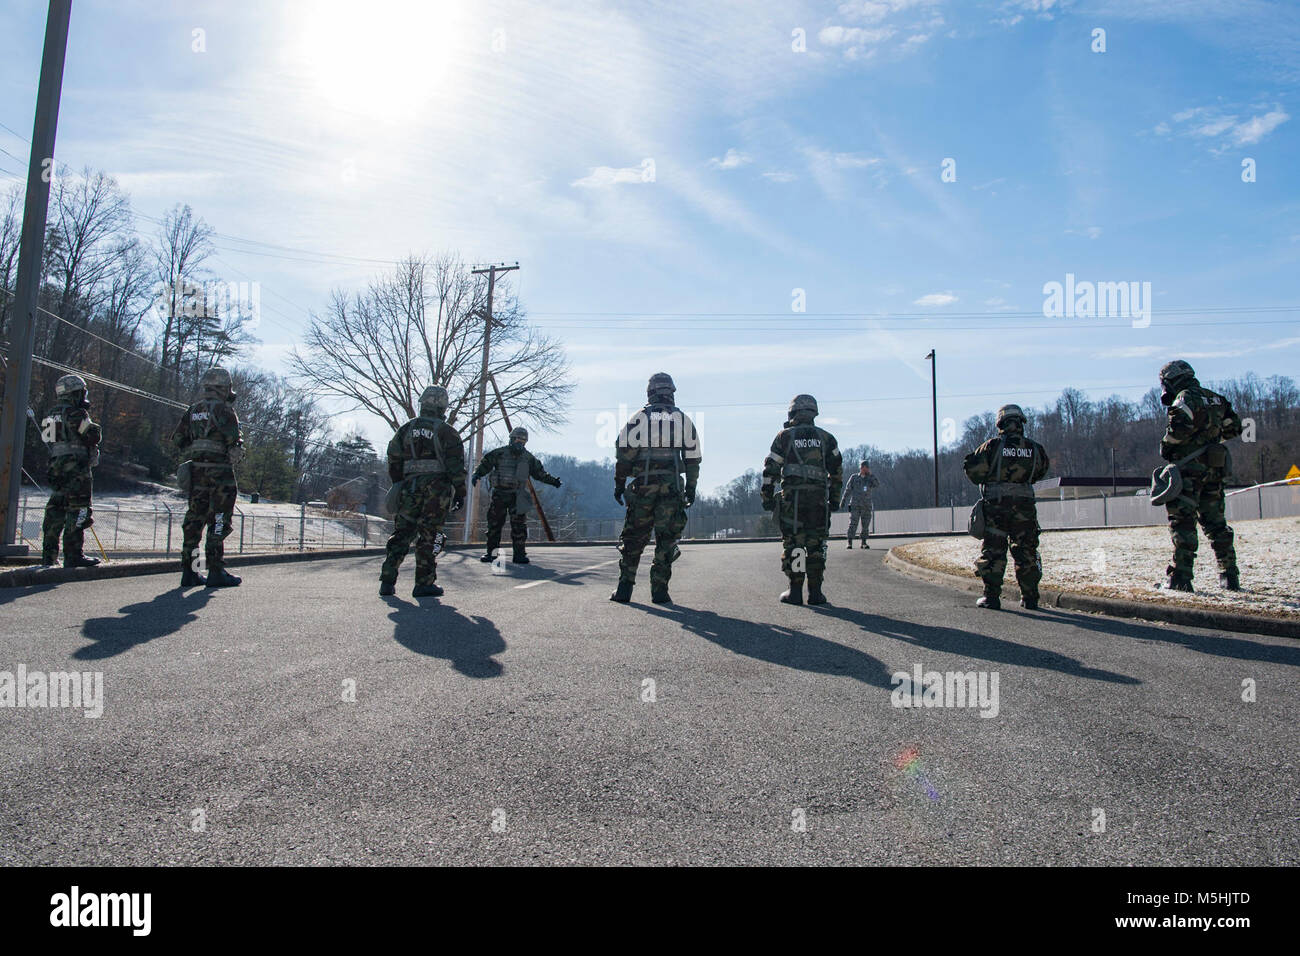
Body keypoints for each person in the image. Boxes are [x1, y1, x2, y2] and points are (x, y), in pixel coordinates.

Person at [609, 372, 701, 605]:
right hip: (671, 489)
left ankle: (624, 589)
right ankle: (659, 591)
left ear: (650, 391)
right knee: (666, 539)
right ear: (671, 392)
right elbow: (693, 459)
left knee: (633, 538)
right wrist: (691, 488)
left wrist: (620, 485)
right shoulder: (682, 420)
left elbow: (624, 457)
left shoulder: (638, 418)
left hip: (643, 488)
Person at [1156, 359, 1243, 592]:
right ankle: (1229, 575)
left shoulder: (1184, 398)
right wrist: (1209, 438)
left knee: (1183, 523)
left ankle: (1181, 578)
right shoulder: (1216, 398)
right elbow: (1234, 428)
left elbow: (1178, 430)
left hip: (1187, 473)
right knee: (1216, 524)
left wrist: (1166, 446)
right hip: (1213, 471)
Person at [380, 385, 467, 598]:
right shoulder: (447, 431)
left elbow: (393, 457)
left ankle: (387, 580)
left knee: (402, 533)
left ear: (423, 403)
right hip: (436, 491)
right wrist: (460, 491)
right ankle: (423, 583)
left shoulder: (406, 429)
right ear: (443, 405)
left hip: (409, 487)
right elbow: (455, 465)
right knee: (429, 534)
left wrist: (399, 482)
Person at [961, 404, 1050, 609]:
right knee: (1026, 550)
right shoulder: (1035, 449)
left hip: (997, 506)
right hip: (1025, 506)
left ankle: (991, 597)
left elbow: (973, 471)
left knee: (994, 550)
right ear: (1021, 422)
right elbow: (1040, 471)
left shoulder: (992, 446)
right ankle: (1030, 597)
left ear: (1000, 423)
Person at [761, 394, 843, 605]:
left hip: (793, 503)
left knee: (795, 545)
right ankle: (815, 593)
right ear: (814, 413)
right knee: (816, 546)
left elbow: (770, 471)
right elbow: (837, 472)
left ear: (793, 413)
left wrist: (767, 498)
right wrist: (834, 500)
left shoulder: (784, 437)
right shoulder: (827, 438)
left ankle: (795, 591)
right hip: (818, 502)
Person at [173, 367, 244, 588]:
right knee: (219, 520)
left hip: (197, 473)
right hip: (219, 475)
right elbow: (234, 442)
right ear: (224, 388)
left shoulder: (193, 410)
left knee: (194, 521)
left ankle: (190, 572)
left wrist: (198, 449)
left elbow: (178, 440)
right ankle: (215, 571)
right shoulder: (224, 410)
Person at [471, 426, 561, 565]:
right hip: (499, 494)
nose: (521, 442)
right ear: (512, 439)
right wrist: (477, 474)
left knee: (519, 527)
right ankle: (491, 553)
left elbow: (540, 474)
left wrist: (553, 481)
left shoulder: (528, 458)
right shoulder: (499, 453)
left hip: (518, 496)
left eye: (524, 441)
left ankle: (519, 555)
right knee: (494, 526)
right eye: (518, 439)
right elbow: (486, 463)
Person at [39, 374, 103, 568]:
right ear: (75, 393)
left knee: (55, 510)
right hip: (76, 470)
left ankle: (48, 556)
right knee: (79, 510)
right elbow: (91, 436)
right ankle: (74, 554)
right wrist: (94, 427)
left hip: (56, 468)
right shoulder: (77, 414)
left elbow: (47, 438)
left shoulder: (50, 415)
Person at [840, 460, 880, 548]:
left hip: (866, 506)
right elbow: (848, 490)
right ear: (860, 468)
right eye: (863, 467)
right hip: (855, 505)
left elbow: (877, 485)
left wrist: (870, 475)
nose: (864, 469)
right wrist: (843, 500)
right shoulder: (854, 478)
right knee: (853, 524)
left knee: (865, 525)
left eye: (866, 468)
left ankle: (863, 542)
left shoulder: (870, 478)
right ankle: (849, 542)